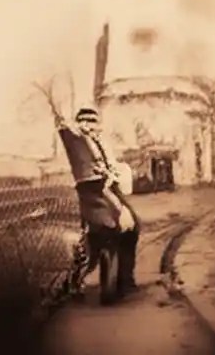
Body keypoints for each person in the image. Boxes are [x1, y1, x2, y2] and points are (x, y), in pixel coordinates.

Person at [57, 107, 140, 299]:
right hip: (95, 190)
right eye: (86, 122)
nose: (90, 126)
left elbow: (108, 164)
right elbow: (66, 131)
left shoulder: (97, 141)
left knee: (128, 228)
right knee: (114, 229)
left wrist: (114, 171)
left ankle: (122, 279)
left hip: (105, 188)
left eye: (93, 122)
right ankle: (120, 280)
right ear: (80, 124)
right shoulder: (77, 141)